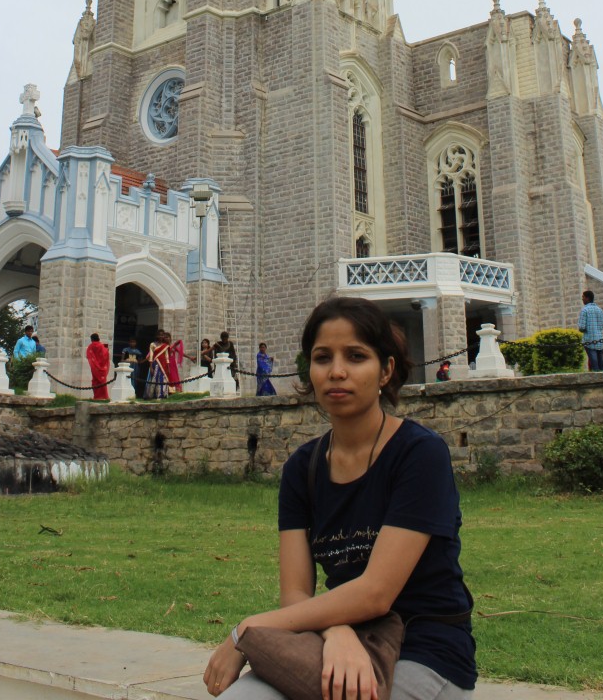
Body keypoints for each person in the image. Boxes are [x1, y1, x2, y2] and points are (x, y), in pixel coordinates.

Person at [204, 296, 477, 700]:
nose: (337, 372)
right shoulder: (303, 467)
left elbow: (376, 592)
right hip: (338, 636)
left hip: (424, 646)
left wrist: (248, 628)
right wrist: (337, 632)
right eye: (322, 357)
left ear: (385, 370)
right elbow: (296, 593)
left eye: (355, 356)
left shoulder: (419, 454)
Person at [577, 290, 603, 372]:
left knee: (594, 365)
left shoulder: (584, 310)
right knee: (601, 364)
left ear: (587, 298)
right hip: (600, 340)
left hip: (589, 340)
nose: (582, 299)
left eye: (583, 297)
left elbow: (581, 327)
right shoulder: (600, 310)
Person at [86, 333, 110, 400]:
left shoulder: (90, 346)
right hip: (103, 368)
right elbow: (106, 353)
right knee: (103, 382)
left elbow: (88, 356)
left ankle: (97, 397)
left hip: (95, 368)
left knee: (95, 381)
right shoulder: (102, 346)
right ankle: (104, 396)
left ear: (92, 339)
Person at [145, 335, 170, 400]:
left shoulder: (165, 345)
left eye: (162, 335)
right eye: (160, 335)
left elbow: (167, 357)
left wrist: (168, 366)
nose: (161, 336)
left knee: (162, 378)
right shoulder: (152, 344)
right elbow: (151, 355)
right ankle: (151, 395)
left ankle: (161, 395)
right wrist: (150, 367)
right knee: (154, 378)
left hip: (163, 365)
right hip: (155, 363)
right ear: (157, 336)